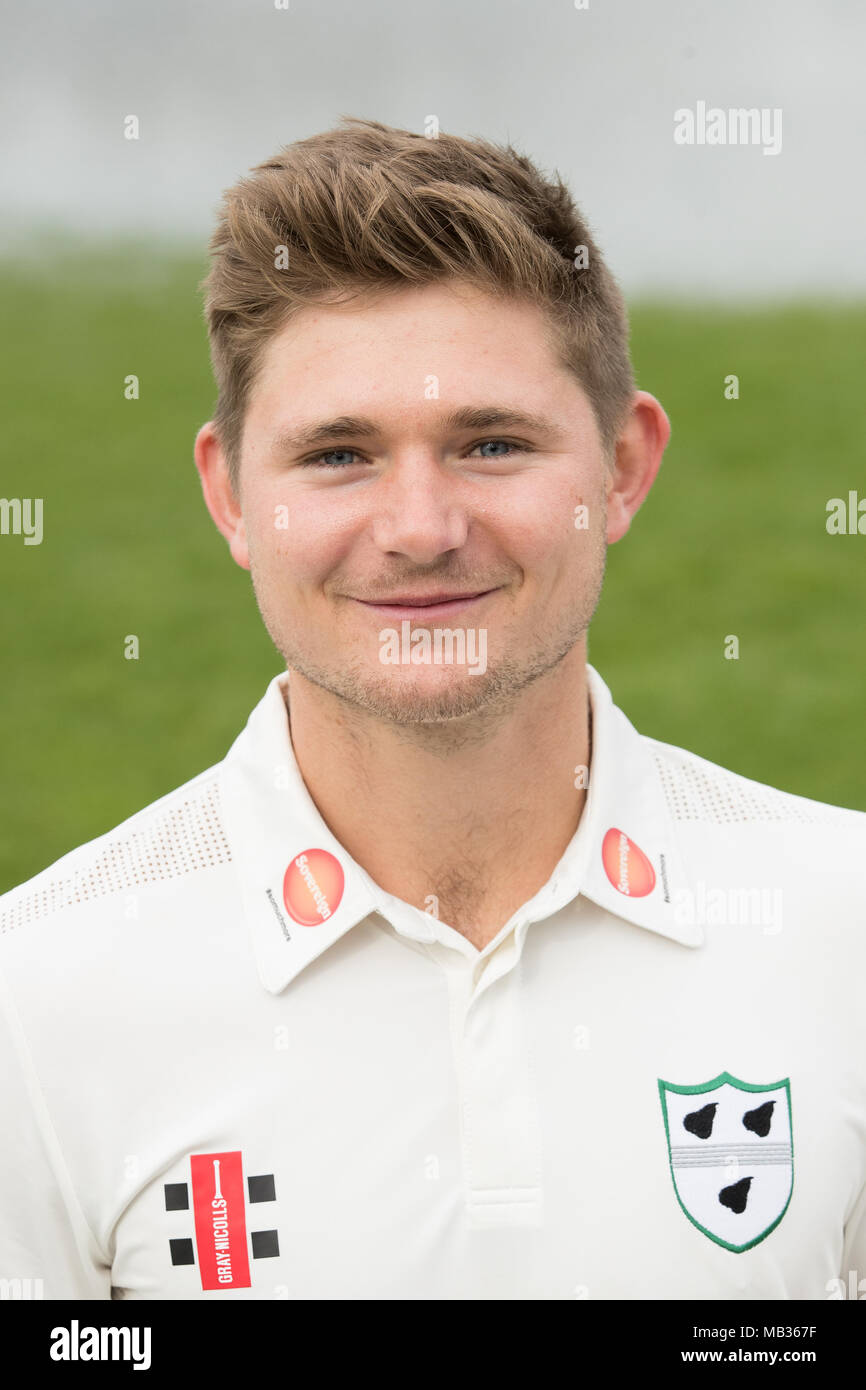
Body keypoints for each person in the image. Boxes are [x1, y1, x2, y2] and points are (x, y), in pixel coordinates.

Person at [1, 118, 863, 1302]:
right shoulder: (35, 999)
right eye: (338, 455)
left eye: (491, 443)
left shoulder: (843, 929)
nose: (418, 528)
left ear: (620, 467)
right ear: (228, 493)